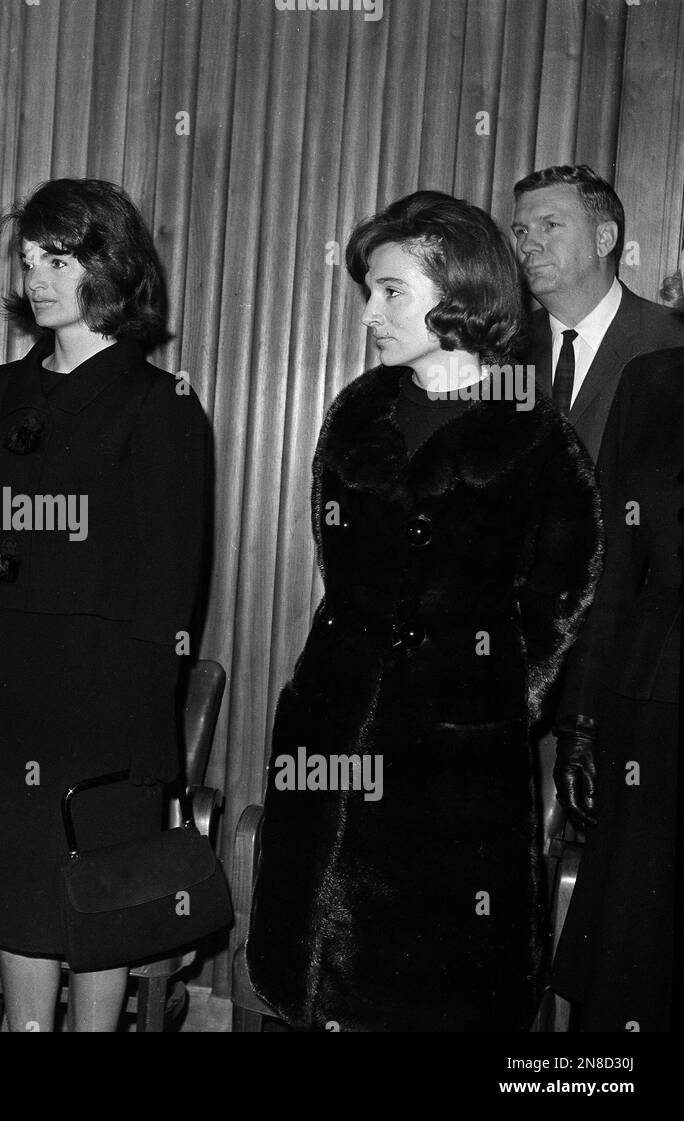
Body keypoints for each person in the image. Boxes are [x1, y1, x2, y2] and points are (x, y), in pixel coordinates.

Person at [247, 191, 603, 1031]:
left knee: (430, 994)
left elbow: (563, 594)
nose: (369, 312)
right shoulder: (356, 414)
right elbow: (338, 568)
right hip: (332, 731)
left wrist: (488, 704)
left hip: (457, 775)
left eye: (391, 291)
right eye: (368, 291)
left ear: (460, 293)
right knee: (312, 978)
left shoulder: (536, 436)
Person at [0, 178, 211, 1032]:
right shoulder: (0, 389)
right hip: (5, 673)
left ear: (109, 267)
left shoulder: (160, 402)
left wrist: (150, 728)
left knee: (96, 889)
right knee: (19, 884)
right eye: (29, 259)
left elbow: (172, 578)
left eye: (60, 260)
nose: (37, 277)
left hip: (105, 685)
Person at [548, 342, 682, 1032]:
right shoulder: (653, 381)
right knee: (633, 976)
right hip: (654, 720)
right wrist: (581, 724)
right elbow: (611, 569)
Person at [511, 165, 684, 460]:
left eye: (550, 225)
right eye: (521, 231)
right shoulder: (507, 347)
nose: (528, 245)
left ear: (604, 239)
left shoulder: (672, 341)